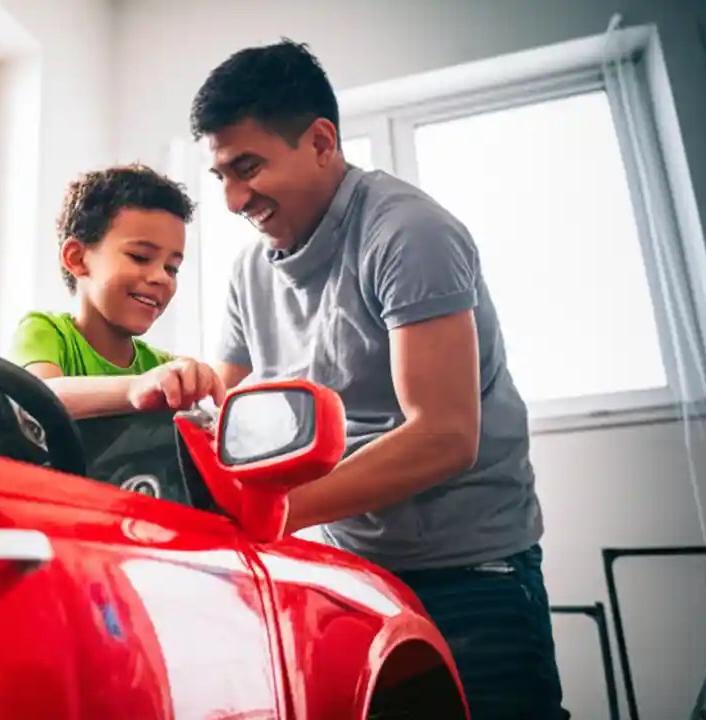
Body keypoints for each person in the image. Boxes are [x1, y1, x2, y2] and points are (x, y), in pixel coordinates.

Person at [190, 39, 567, 719]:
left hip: (469, 575)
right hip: (350, 574)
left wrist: (274, 515)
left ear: (321, 141)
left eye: (248, 167)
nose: (234, 198)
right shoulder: (250, 272)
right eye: (220, 175)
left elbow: (444, 437)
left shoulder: (407, 232)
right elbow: (230, 421)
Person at [9, 163, 225, 416]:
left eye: (172, 268)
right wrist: (135, 388)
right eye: (140, 257)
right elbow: (39, 398)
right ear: (77, 258)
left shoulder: (164, 368)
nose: (161, 278)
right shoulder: (44, 332)